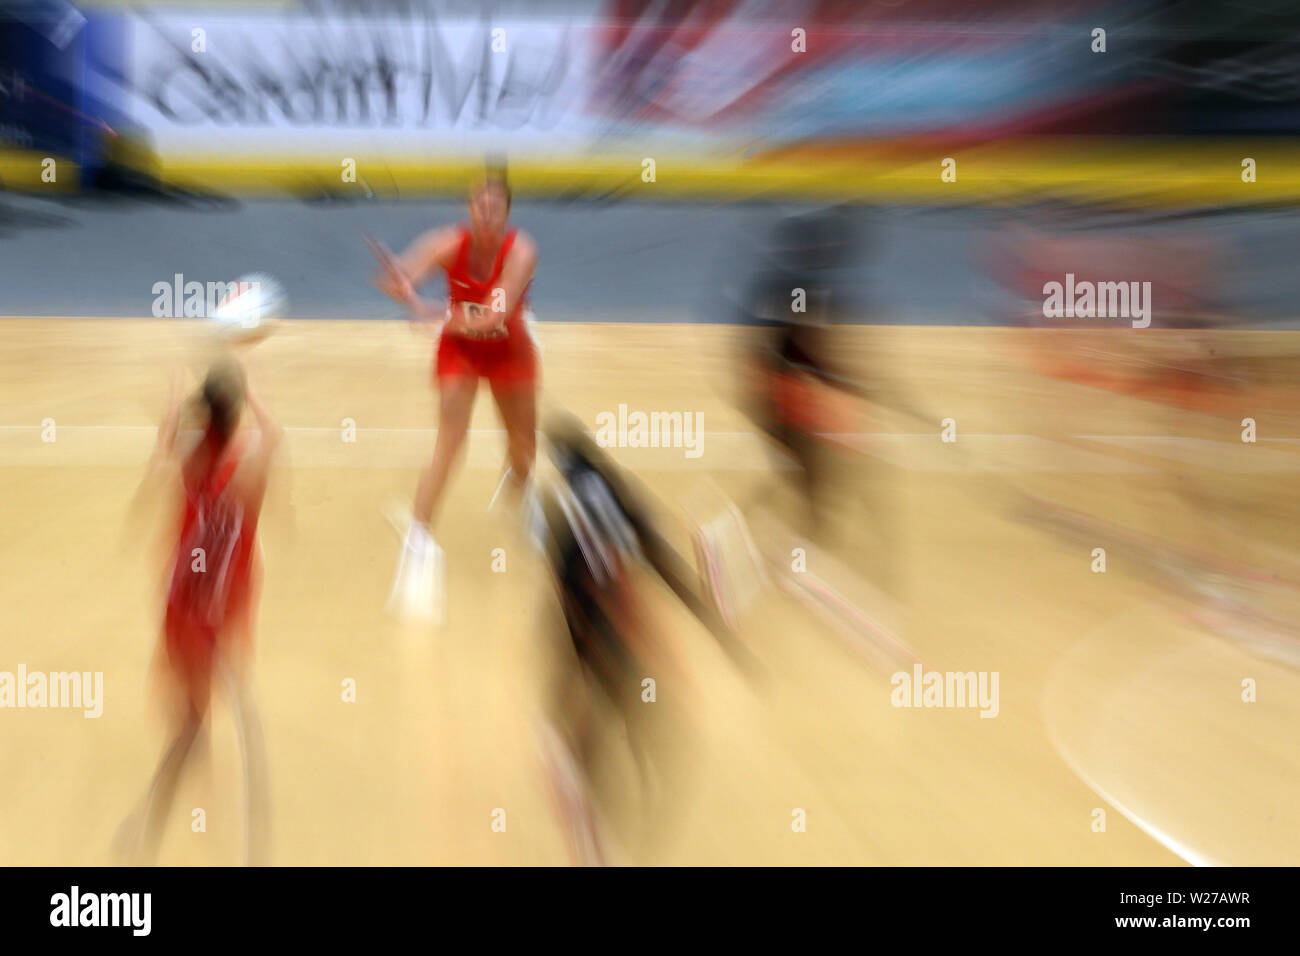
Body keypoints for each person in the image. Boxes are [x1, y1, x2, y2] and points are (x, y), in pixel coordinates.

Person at [116, 358, 279, 865]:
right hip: (217, 605)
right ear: (235, 418)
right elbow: (272, 433)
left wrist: (173, 400)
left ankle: (186, 755)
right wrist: (253, 392)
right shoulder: (251, 461)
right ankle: (146, 825)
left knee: (188, 714)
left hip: (180, 600)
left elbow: (169, 436)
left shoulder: (189, 454)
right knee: (207, 722)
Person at [373, 165, 541, 622]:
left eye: (495, 205)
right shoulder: (446, 243)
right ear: (469, 209)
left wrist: (435, 313)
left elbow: (494, 316)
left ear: (507, 211)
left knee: (523, 446)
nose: (486, 211)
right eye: (478, 203)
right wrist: (399, 284)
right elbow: (395, 276)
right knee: (450, 441)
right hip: (460, 353)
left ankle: (521, 493)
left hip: (509, 349)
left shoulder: (521, 251)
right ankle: (418, 539)